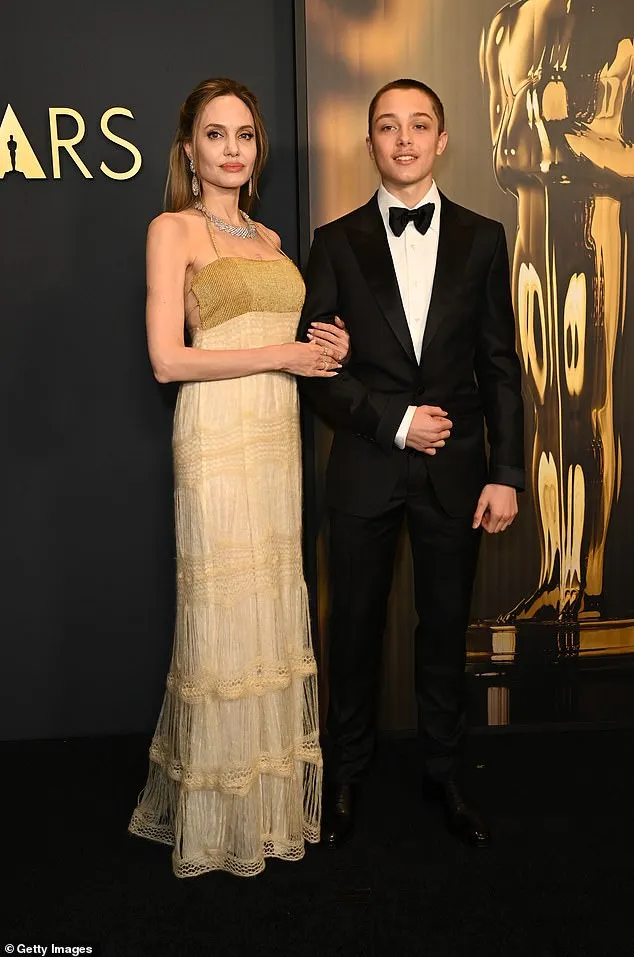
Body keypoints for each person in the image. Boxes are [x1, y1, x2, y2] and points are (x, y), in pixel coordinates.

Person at [129, 77, 349, 878]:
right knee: (224, 613)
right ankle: (217, 820)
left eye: (245, 135)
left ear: (257, 148)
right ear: (189, 151)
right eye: (216, 135)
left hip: (273, 438)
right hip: (217, 436)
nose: (232, 149)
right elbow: (167, 359)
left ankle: (267, 806)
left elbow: (288, 342)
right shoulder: (173, 229)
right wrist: (281, 352)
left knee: (269, 604)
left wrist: (323, 348)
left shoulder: (272, 239)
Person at [296, 78, 525, 848]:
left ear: (442, 139)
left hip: (457, 474)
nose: (404, 139)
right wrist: (396, 423)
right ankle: (346, 776)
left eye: (418, 125)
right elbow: (318, 370)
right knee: (354, 630)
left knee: (444, 630)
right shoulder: (334, 242)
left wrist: (506, 472)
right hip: (366, 466)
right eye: (388, 127)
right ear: (369, 143)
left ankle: (445, 774)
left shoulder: (484, 237)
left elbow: (500, 366)